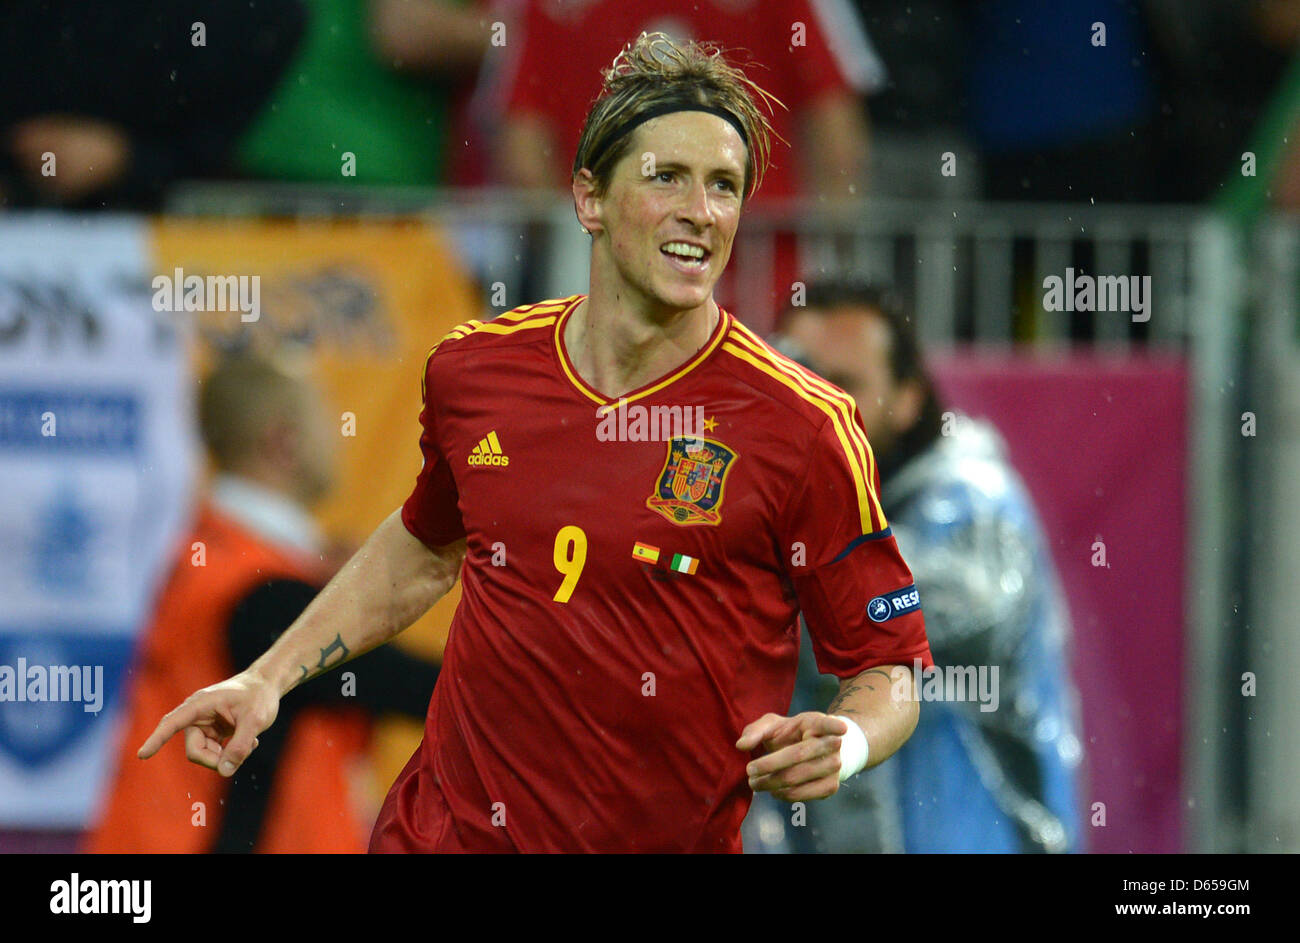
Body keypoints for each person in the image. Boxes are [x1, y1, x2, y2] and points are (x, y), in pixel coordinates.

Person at [138, 32, 932, 854]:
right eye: (667, 177)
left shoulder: (802, 425)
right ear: (589, 197)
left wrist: (851, 740)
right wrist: (269, 676)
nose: (703, 210)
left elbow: (890, 664)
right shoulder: (473, 369)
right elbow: (425, 543)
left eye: (724, 186)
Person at [754, 281, 1083, 853]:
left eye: (846, 383)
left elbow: (938, 615)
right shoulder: (809, 506)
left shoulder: (975, 502)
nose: (822, 404)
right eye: (802, 379)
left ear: (907, 397)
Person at [87, 354, 440, 853]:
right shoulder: (264, 594)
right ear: (283, 441)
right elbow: (429, 690)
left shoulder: (213, 558)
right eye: (324, 419)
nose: (338, 438)